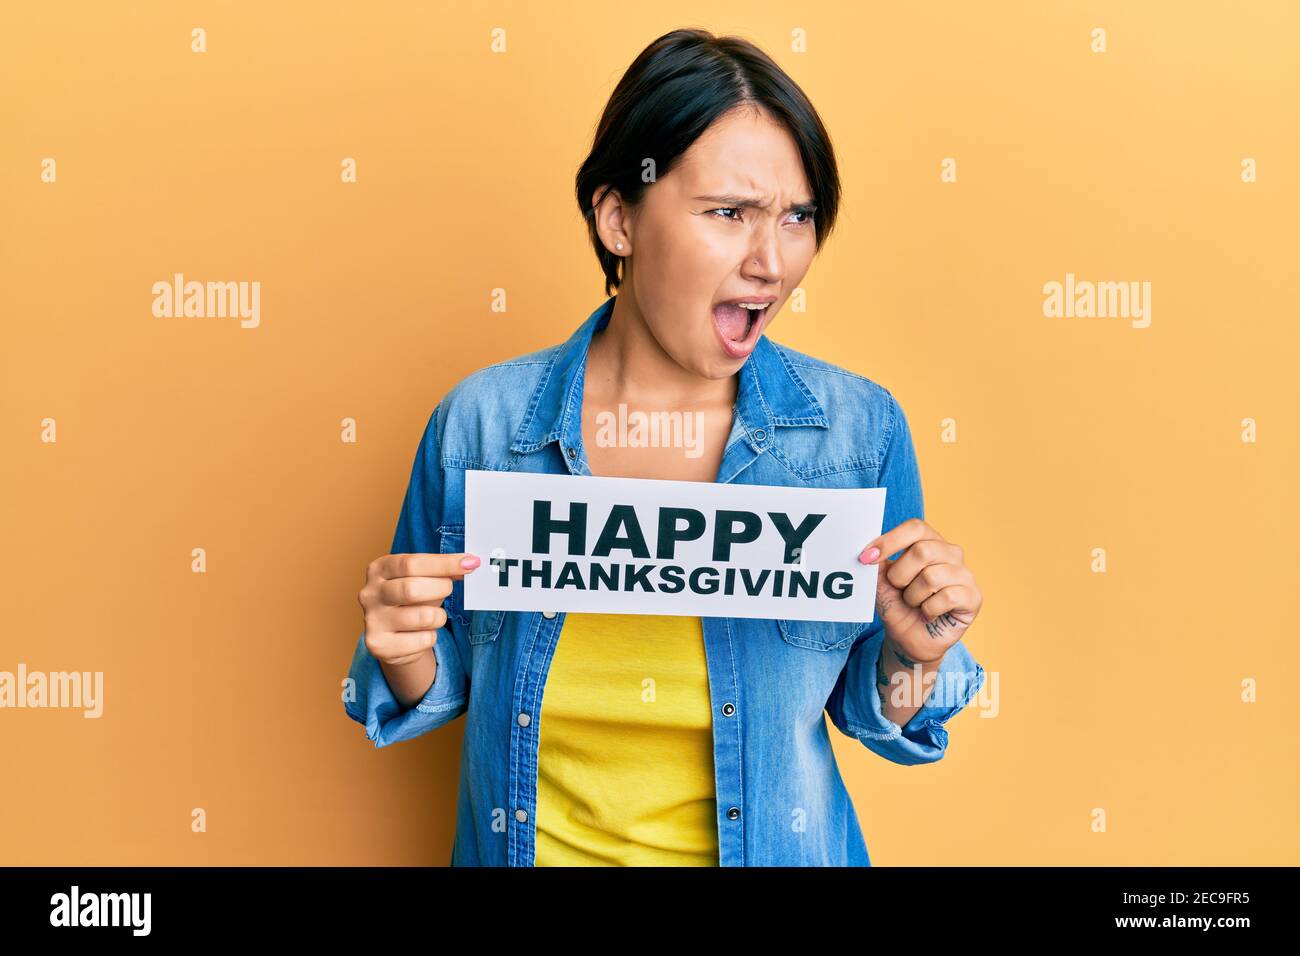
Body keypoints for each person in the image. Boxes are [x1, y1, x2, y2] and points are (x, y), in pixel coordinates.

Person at [346, 27, 985, 867]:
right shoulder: (483, 427)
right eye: (729, 214)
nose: (771, 260)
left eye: (797, 217)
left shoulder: (856, 435)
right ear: (619, 217)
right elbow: (442, 691)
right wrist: (403, 653)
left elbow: (879, 716)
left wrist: (915, 656)